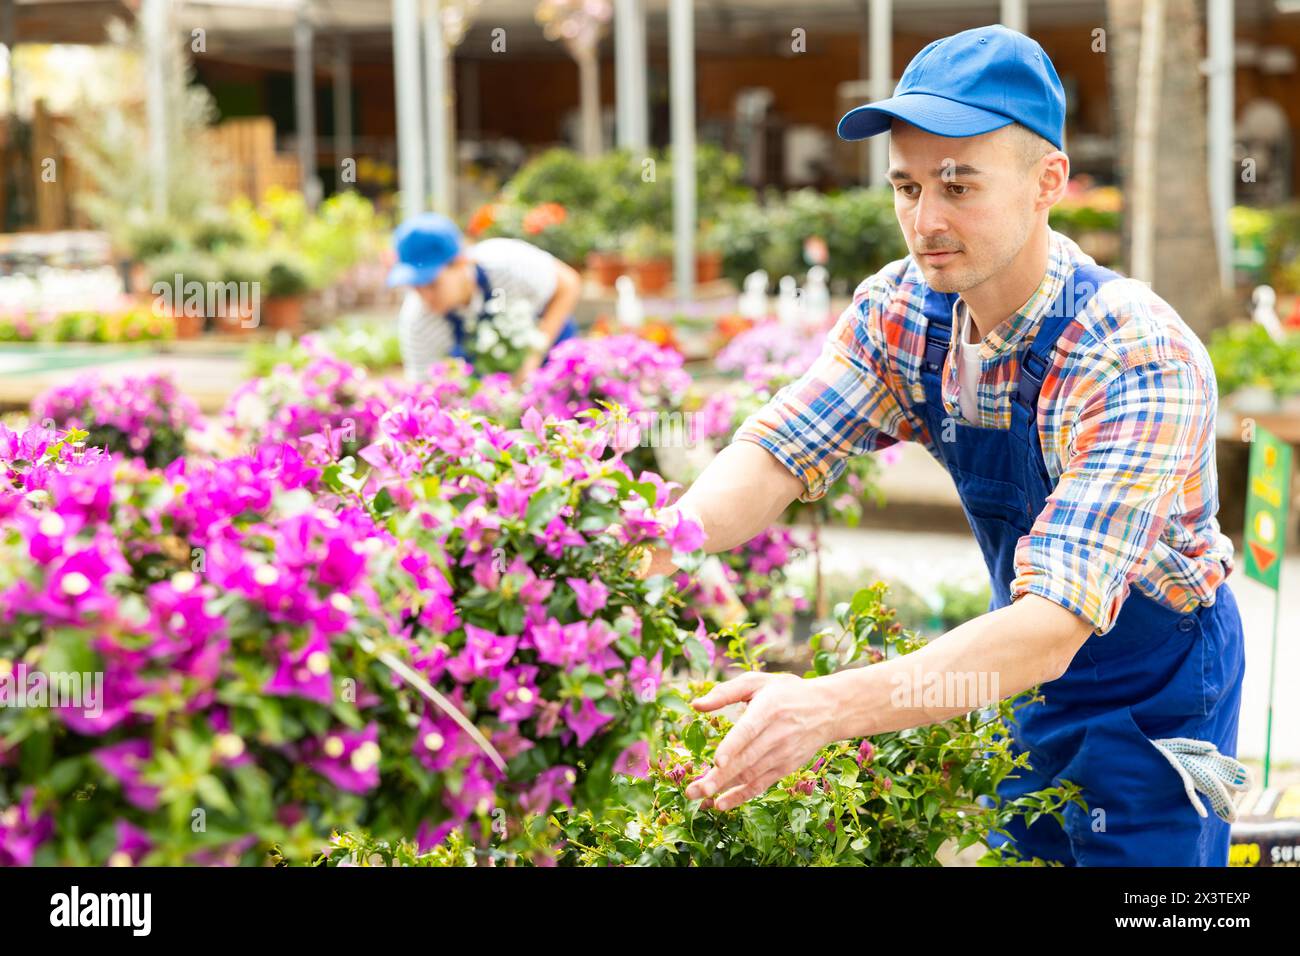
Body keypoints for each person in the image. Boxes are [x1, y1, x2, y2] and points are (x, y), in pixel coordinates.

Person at [641, 24, 1248, 866]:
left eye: (958, 186)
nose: (925, 220)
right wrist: (655, 547)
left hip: (1157, 690)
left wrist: (825, 707)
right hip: (1013, 668)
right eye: (907, 186)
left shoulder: (1132, 356)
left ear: (1049, 182)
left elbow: (1053, 623)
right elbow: (783, 446)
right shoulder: (903, 310)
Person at [385, 213, 582, 385]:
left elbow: (568, 283)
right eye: (416, 286)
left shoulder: (507, 263)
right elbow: (424, 390)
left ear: (461, 262)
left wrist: (533, 356)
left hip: (551, 362)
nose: (425, 296)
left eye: (431, 284)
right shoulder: (418, 322)